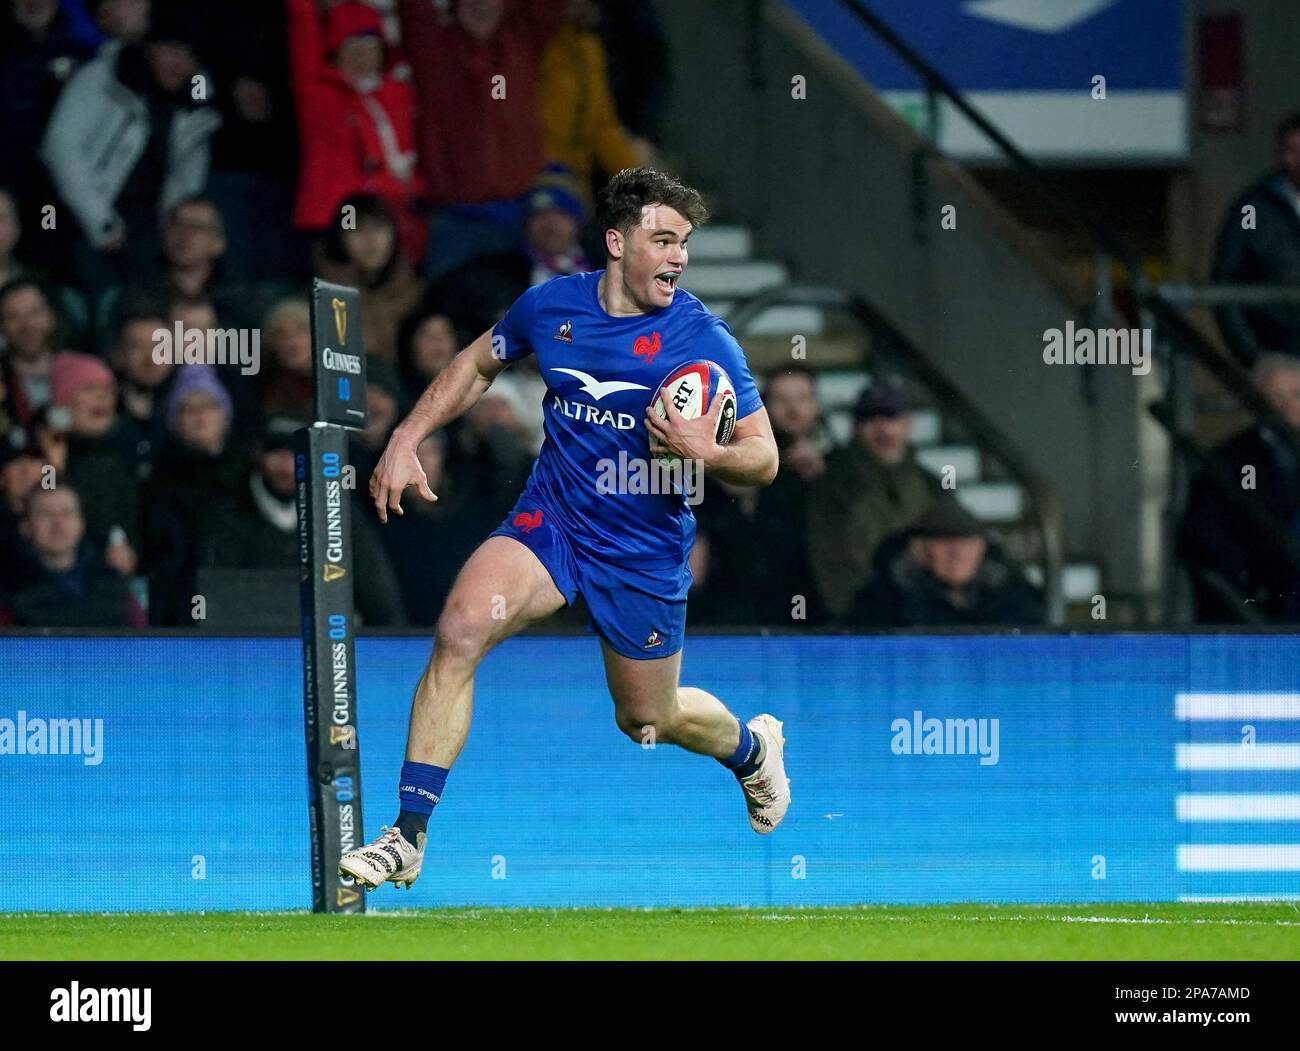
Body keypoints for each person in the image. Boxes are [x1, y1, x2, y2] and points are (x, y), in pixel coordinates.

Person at [340, 168, 790, 891]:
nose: (678, 257)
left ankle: (750, 749)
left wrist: (707, 452)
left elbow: (765, 457)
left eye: (686, 245)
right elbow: (477, 362)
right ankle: (409, 834)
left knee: (647, 717)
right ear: (616, 241)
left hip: (641, 547)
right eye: (664, 239)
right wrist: (405, 434)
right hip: (552, 519)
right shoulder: (552, 308)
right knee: (459, 629)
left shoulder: (702, 338)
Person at [284, 0, 424, 262]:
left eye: (369, 49)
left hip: (388, 221)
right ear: (336, 54)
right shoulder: (318, 94)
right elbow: (302, 32)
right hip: (332, 222)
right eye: (352, 49)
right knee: (336, 300)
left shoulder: (399, 95)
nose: (362, 58)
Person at [805, 382, 944, 621]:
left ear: (908, 424)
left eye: (891, 418)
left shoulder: (928, 483)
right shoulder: (831, 481)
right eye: (870, 419)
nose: (883, 429)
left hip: (920, 614)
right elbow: (829, 558)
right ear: (855, 428)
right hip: (860, 616)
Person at [1181, 353, 1300, 622]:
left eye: (1296, 394)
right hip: (1258, 602)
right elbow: (1204, 534)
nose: (1286, 406)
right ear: (1256, 400)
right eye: (1275, 396)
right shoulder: (1228, 460)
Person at [851, 501, 1044, 628]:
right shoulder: (883, 599)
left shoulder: (1013, 595)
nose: (956, 553)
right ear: (919, 549)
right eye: (944, 543)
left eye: (966, 542)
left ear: (982, 547)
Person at [1212, 112, 1300, 366]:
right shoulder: (1253, 208)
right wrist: (1255, 356)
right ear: (1280, 155)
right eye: (1292, 150)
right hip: (1282, 360)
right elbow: (1226, 283)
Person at [1, 483, 145, 627]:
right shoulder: (8, 590)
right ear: (25, 527)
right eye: (45, 514)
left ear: (81, 523)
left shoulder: (113, 580)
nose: (58, 522)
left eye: (67, 513)